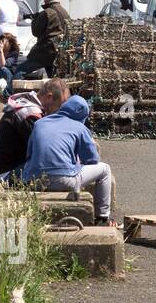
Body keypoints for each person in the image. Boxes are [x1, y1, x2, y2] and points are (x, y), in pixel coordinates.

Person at [20, 78, 118, 227]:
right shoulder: (79, 127)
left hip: (33, 180)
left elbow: (29, 154)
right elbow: (92, 159)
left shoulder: (40, 122)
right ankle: (102, 218)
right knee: (105, 170)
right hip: (64, 180)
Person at [0, 90, 44, 182]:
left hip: (5, 169)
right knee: (52, 171)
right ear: (49, 97)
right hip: (6, 174)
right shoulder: (29, 115)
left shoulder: (24, 105)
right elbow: (39, 150)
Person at [23, 0, 69, 79]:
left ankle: (9, 93)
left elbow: (36, 32)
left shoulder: (47, 12)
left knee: (20, 70)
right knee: (53, 79)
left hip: (46, 51)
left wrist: (34, 20)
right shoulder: (64, 12)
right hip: (59, 52)